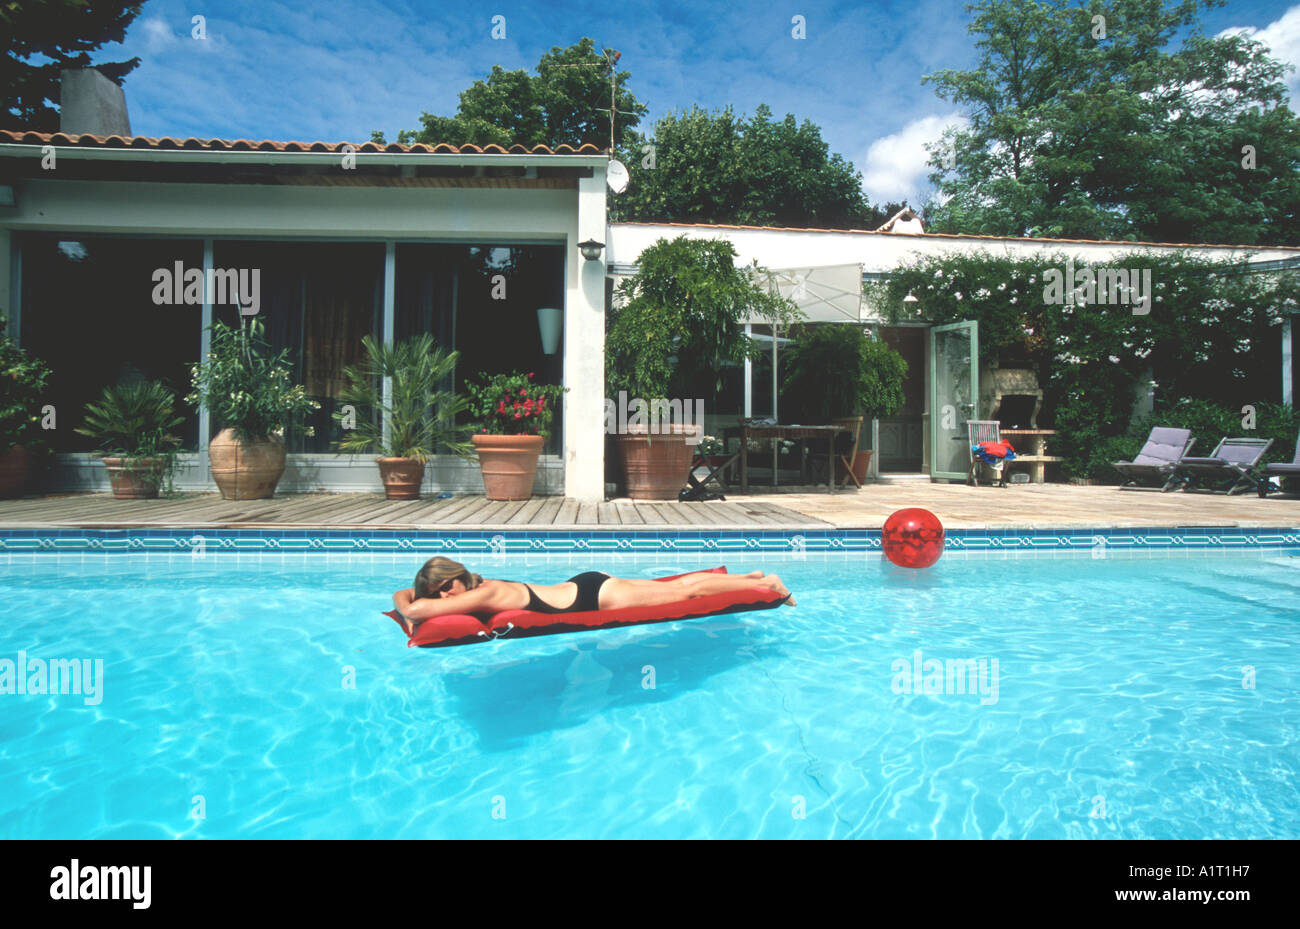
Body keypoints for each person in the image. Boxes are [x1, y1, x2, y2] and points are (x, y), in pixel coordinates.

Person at [391, 556, 795, 635]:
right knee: (682, 588)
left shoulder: (482, 594)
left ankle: (767, 585)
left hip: (597, 598)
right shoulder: (481, 587)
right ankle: (752, 576)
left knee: (688, 593)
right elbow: (404, 592)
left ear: (457, 578)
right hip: (588, 585)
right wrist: (410, 599)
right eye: (439, 591)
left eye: (446, 586)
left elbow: (416, 605)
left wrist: (411, 612)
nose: (445, 596)